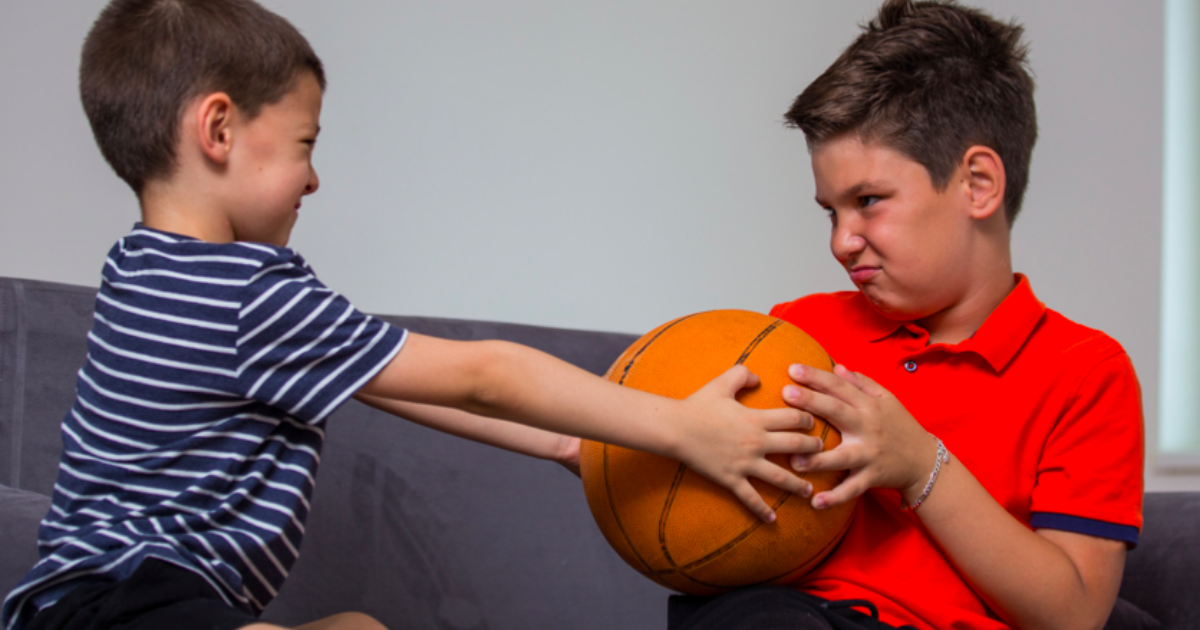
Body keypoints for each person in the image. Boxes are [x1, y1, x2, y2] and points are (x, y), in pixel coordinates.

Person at [0, 1, 824, 629]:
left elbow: (387, 383)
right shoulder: (248, 294)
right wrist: (680, 427)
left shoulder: (147, 268)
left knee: (358, 625)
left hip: (81, 599)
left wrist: (575, 442)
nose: (314, 180)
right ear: (219, 128)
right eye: (304, 145)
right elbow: (482, 375)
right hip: (124, 602)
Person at [668, 1, 1144, 630]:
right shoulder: (796, 332)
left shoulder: (1086, 373)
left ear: (978, 184)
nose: (842, 240)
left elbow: (1074, 612)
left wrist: (921, 464)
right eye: (830, 212)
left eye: (868, 201)